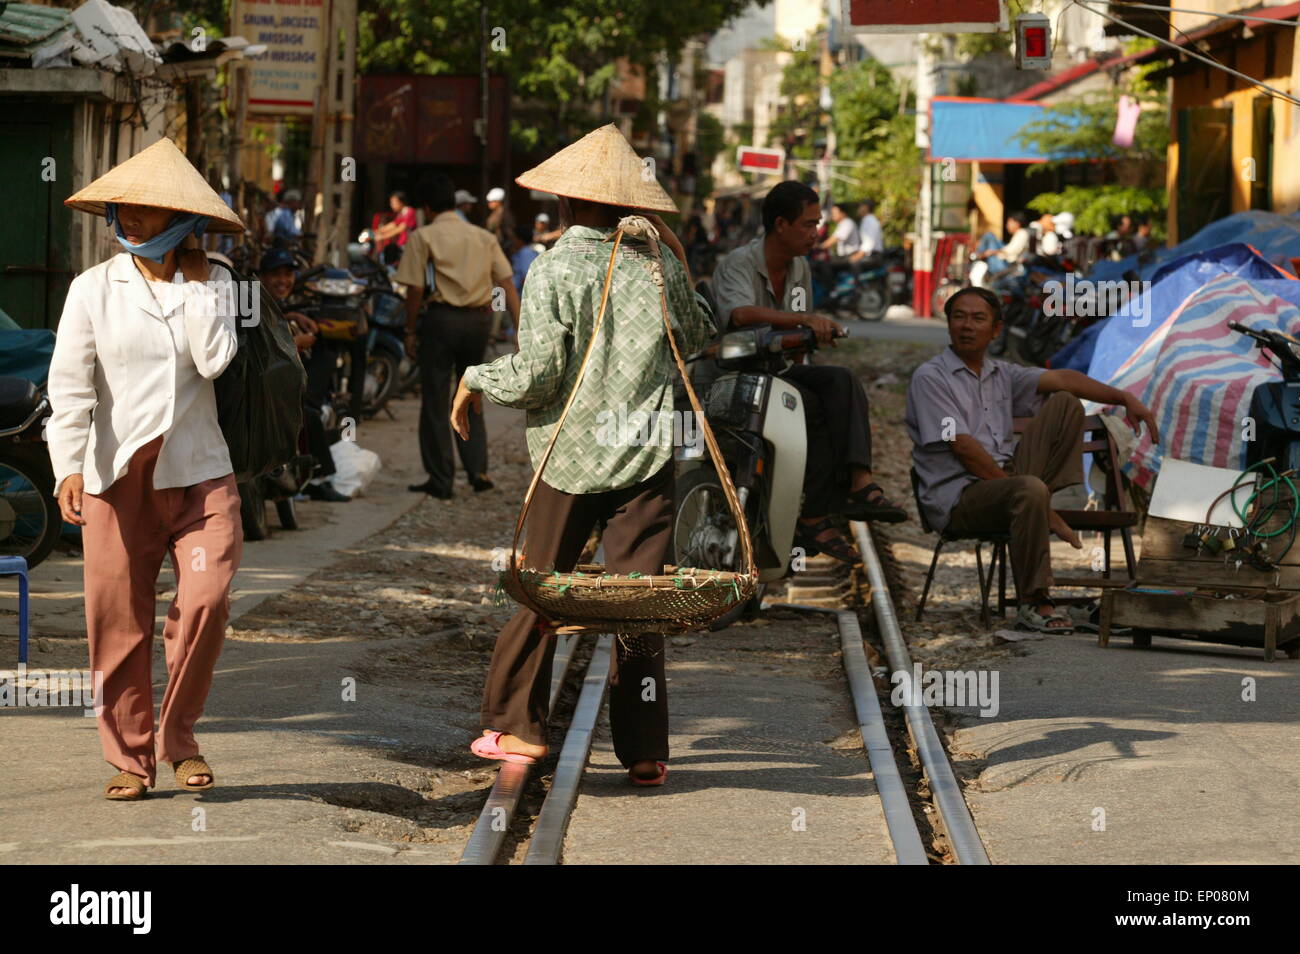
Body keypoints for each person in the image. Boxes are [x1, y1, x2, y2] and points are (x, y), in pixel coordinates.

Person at [450, 124, 715, 786]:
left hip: (570, 456)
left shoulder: (554, 267)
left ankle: (520, 729)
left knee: (544, 588)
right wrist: (671, 248)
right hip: (648, 454)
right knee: (637, 602)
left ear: (564, 204)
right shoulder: (656, 265)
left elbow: (539, 375)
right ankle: (646, 751)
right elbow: (703, 334)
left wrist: (477, 379)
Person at [48, 137, 245, 800]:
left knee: (206, 600)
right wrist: (68, 465)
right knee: (116, 616)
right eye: (124, 208)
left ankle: (178, 739)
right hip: (115, 478)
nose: (131, 218)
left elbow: (215, 360)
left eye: (150, 210)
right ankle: (130, 759)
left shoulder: (216, 284)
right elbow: (71, 385)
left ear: (184, 220)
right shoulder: (91, 291)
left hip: (198, 474)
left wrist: (193, 283)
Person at [905, 287, 1160, 632]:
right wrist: (1040, 504)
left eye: (978, 318)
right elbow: (963, 448)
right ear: (948, 325)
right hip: (960, 498)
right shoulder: (931, 378)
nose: (966, 326)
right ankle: (1035, 601)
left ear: (996, 330)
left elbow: (1065, 379)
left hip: (1008, 485)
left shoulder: (1001, 375)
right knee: (1027, 490)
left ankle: (1039, 501)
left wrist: (1126, 397)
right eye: (959, 317)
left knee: (1065, 402)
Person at [711, 180, 908, 564]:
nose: (816, 233)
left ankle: (859, 484)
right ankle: (816, 517)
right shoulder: (739, 264)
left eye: (817, 224)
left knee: (840, 381)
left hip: (778, 370)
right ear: (780, 224)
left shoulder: (799, 267)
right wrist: (804, 320)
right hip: (736, 377)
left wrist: (809, 338)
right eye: (808, 224)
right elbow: (740, 314)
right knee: (809, 408)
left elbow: (798, 336)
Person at [395, 174, 520, 498]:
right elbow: (507, 284)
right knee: (473, 392)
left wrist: (410, 330)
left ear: (425, 207)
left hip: (441, 321)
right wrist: (521, 329)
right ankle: (478, 470)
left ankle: (441, 478)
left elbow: (415, 288)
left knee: (436, 399)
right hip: (477, 324)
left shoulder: (423, 236)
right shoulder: (483, 237)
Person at [258, 248, 350, 503]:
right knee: (307, 413)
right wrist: (296, 343)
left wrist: (292, 316)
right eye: (275, 274)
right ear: (262, 276)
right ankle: (316, 480)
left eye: (287, 274)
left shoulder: (268, 302)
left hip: (279, 379)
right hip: (266, 385)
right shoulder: (253, 301)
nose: (283, 280)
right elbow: (260, 347)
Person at [971, 210, 1030, 286]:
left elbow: (1012, 251)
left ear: (1017, 223)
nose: (1007, 226)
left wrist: (992, 252)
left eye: (1009, 222)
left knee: (989, 236)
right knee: (990, 236)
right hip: (1004, 262)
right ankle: (978, 255)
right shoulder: (1019, 234)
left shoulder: (1022, 233)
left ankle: (977, 255)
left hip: (1006, 265)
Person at [508, 224, 539, 295]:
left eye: (513, 238)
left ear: (520, 240)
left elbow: (528, 279)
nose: (511, 241)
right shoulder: (519, 253)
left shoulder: (526, 253)